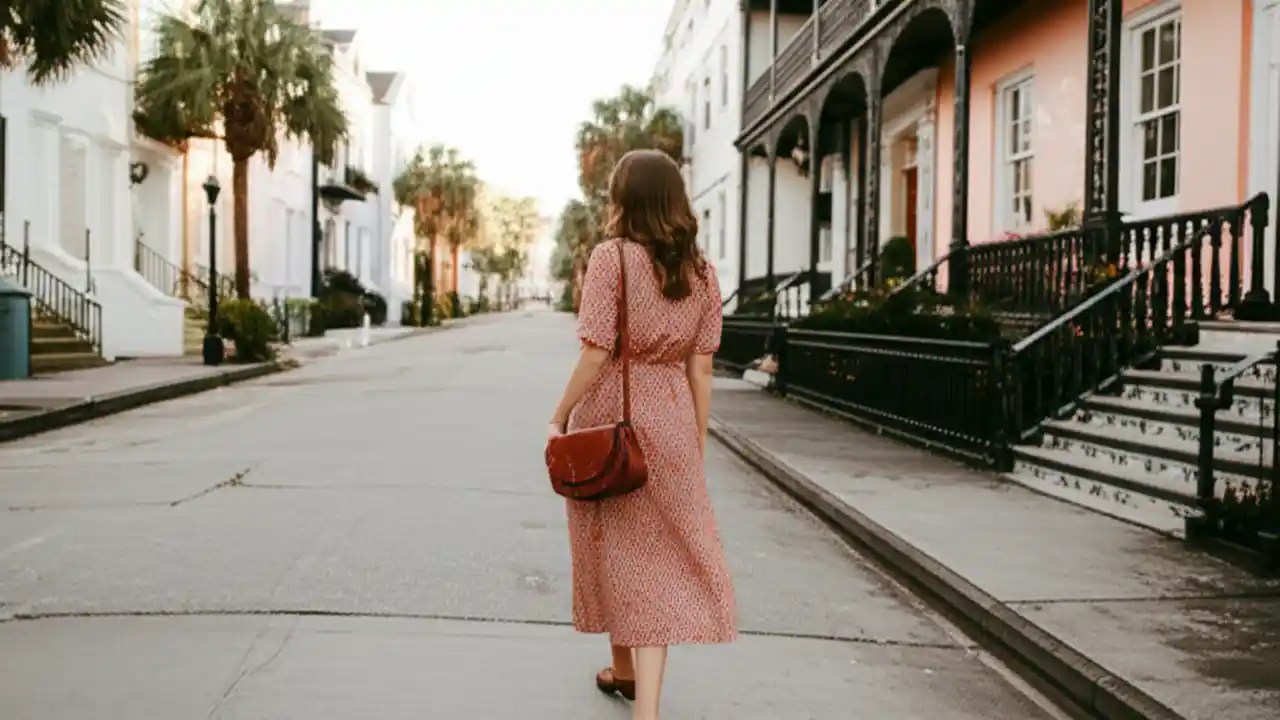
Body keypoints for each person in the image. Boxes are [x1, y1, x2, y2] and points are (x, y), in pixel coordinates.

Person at [547, 149, 738, 720]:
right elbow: (701, 369)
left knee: (617, 549)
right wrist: (696, 442)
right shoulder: (702, 272)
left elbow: (596, 351)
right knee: (650, 559)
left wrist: (559, 415)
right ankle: (628, 677)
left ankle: (645, 710)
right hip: (673, 420)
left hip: (612, 419)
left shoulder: (613, 259)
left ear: (625, 199)